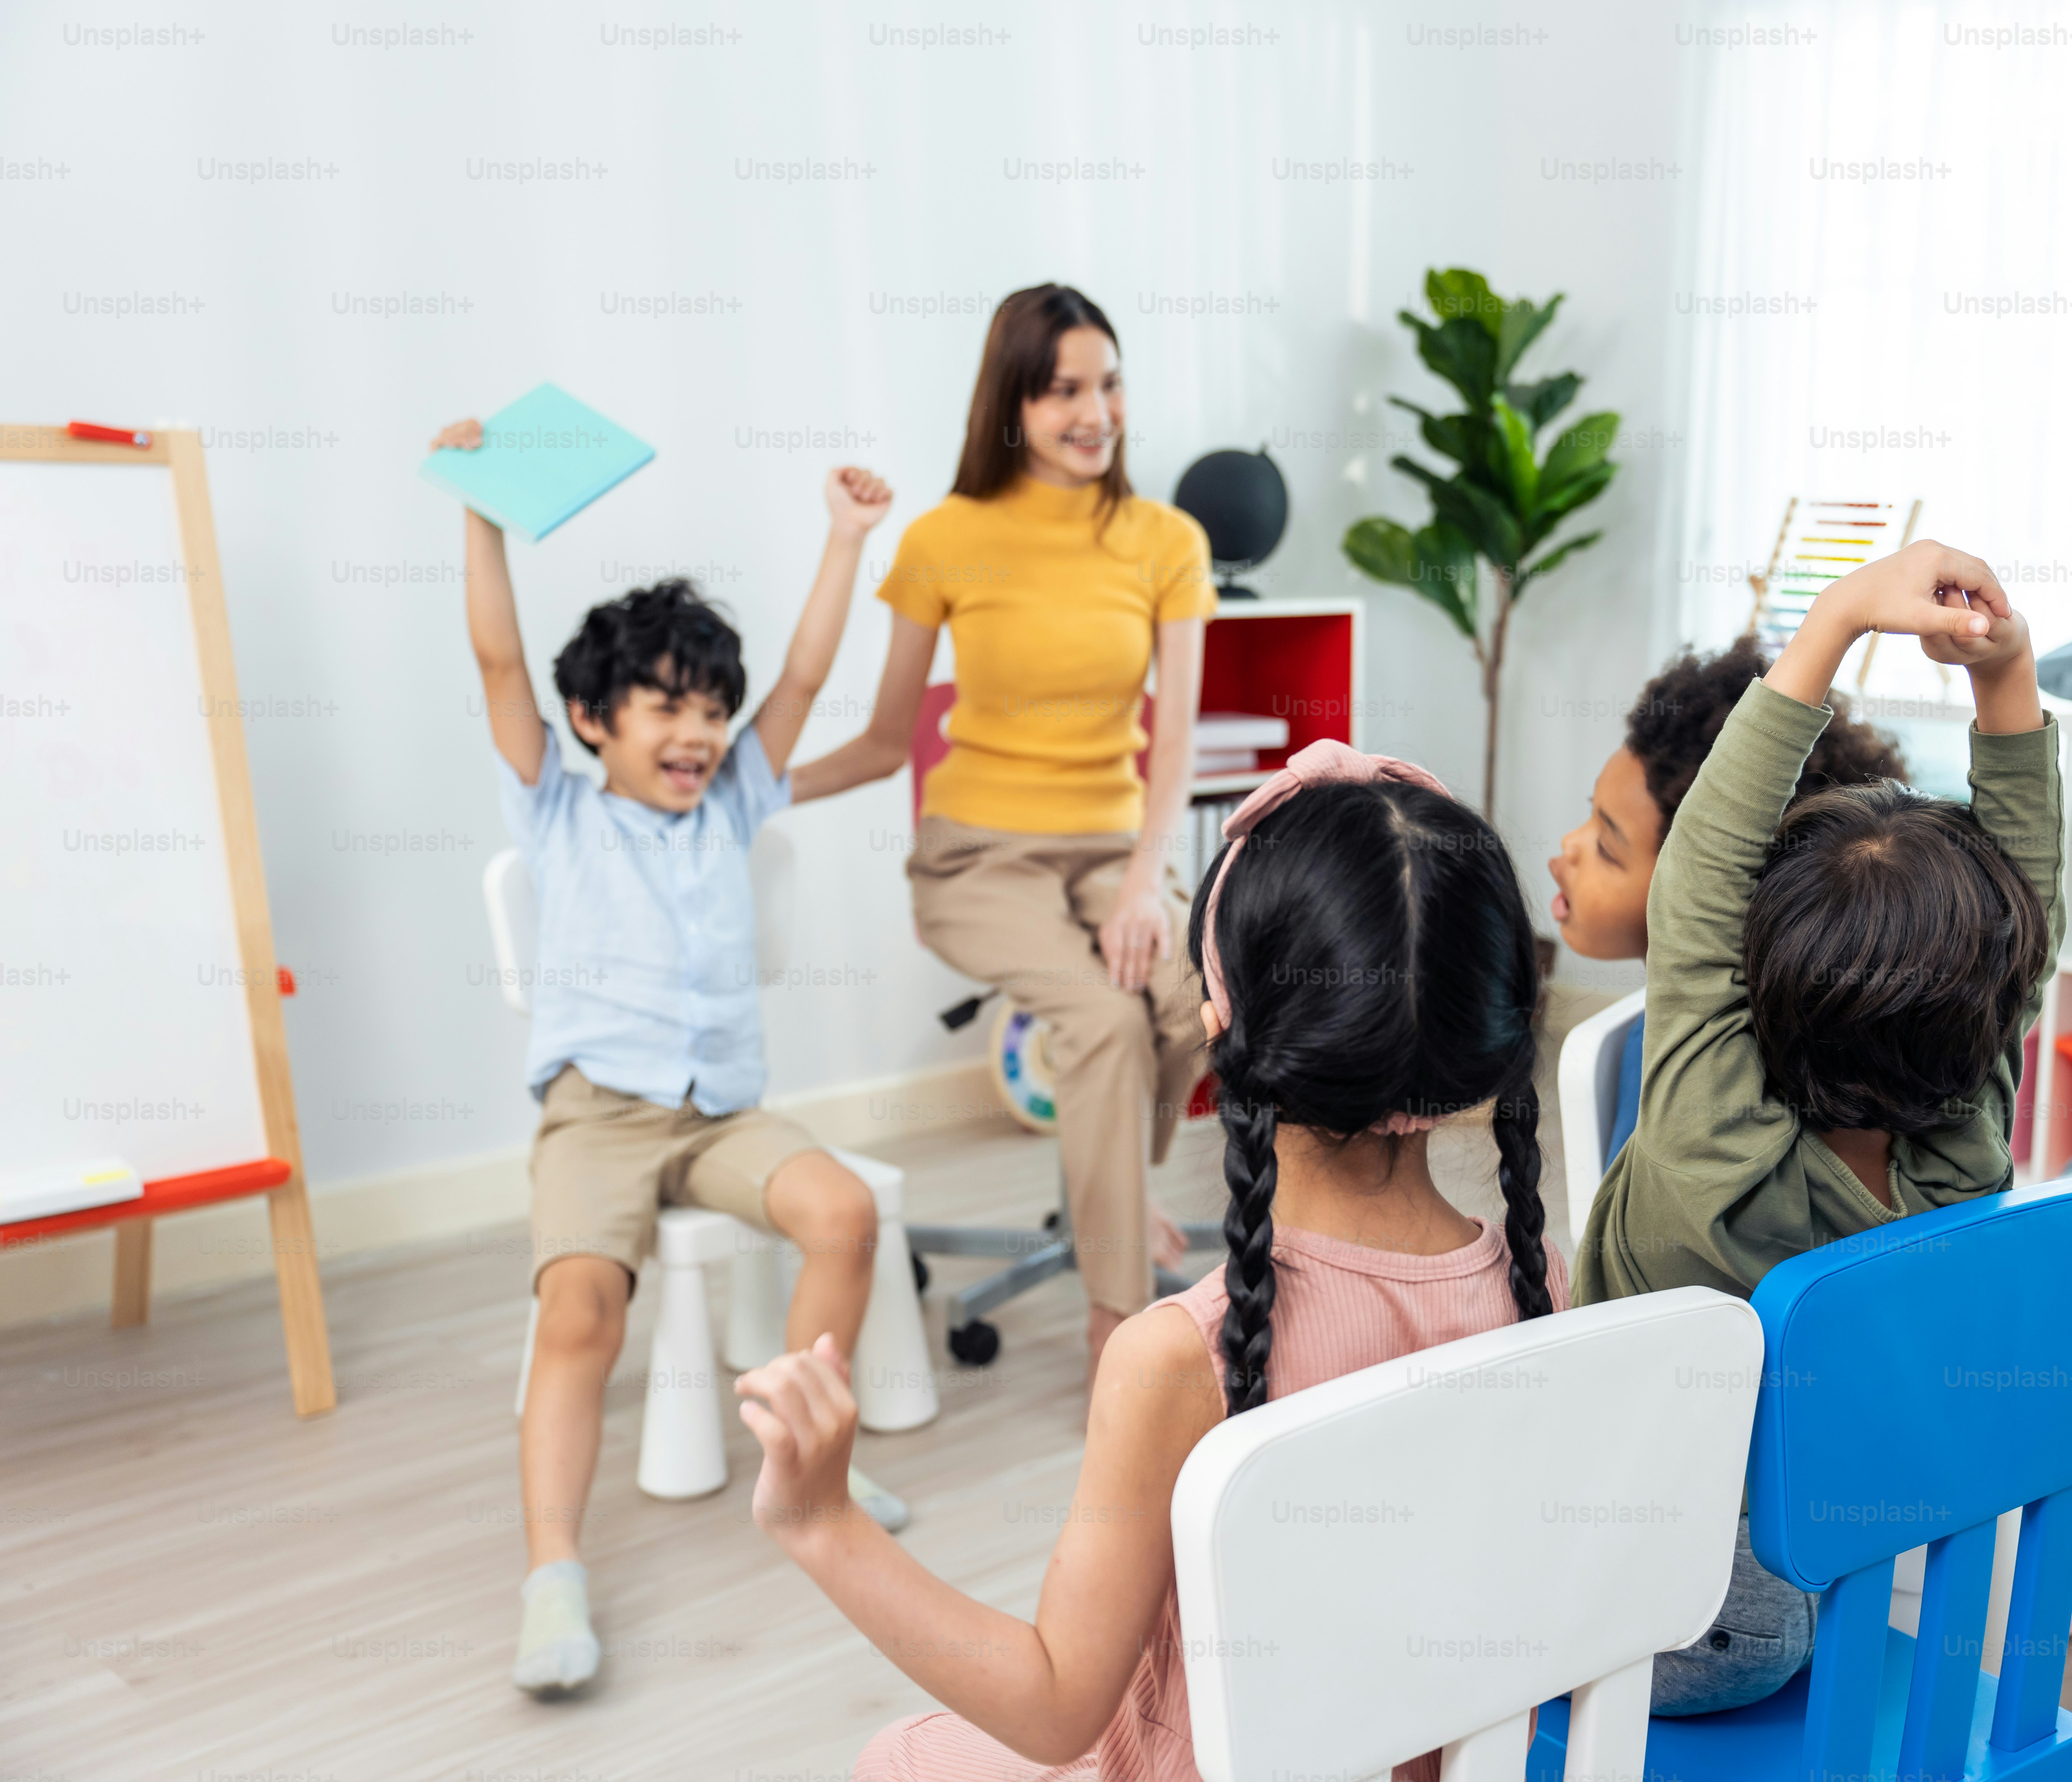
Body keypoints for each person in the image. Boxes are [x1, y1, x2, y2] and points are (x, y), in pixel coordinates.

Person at [736, 741, 1565, 1782]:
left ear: (1219, 1024)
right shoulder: (1542, 1287)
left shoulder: (1179, 1355)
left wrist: (822, 1520)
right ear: (1493, 1026)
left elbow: (1056, 1710)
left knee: (896, 1757)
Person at [432, 419, 910, 1698]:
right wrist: (481, 510)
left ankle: (806, 1468)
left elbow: (803, 677)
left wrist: (845, 540)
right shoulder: (555, 803)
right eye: (667, 710)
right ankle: (552, 1573)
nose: (698, 734)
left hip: (722, 1116)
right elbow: (496, 659)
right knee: (581, 1311)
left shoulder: (737, 797)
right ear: (594, 719)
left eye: (712, 712)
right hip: (598, 1116)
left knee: (845, 1213)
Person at [1572, 540, 2060, 1716]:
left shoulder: (1715, 1146)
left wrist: (1840, 617)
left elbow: (1701, 873)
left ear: (1752, 978)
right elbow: (2027, 895)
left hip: (1657, 1583)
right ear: (1998, 1007)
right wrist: (2006, 673)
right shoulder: (1965, 1149)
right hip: (1823, 1559)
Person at [791, 284, 1213, 1375]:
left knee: (1193, 1000)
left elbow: (1175, 740)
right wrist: (754, 787)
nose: (1096, 412)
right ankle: (1118, 1319)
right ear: (1013, 403)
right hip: (978, 855)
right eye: (1065, 390)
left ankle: (1109, 1196)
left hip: (1113, 851)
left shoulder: (1166, 540)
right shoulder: (947, 539)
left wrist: (1144, 883)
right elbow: (885, 740)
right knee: (1104, 1020)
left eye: (1110, 384)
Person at [1548, 633, 1911, 1160]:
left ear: (1709, 885)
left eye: (1608, 846)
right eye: (1591, 815)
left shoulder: (1688, 1063)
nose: (1570, 845)